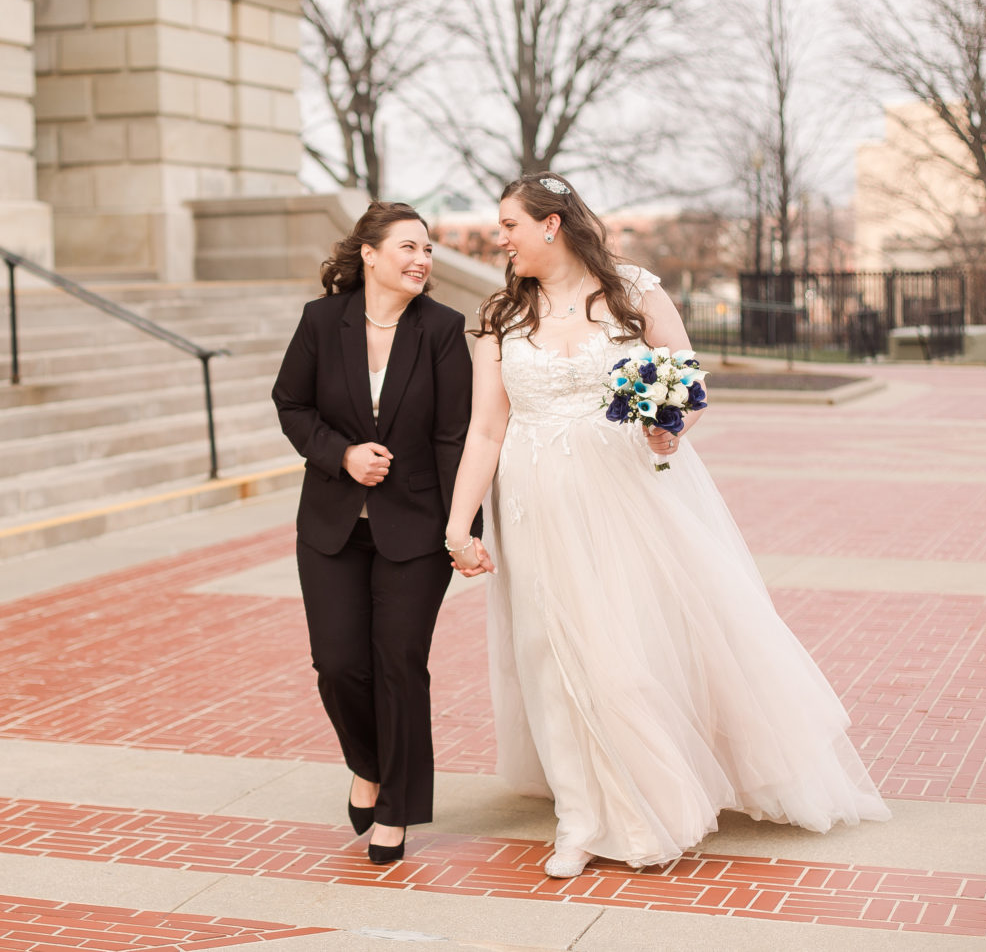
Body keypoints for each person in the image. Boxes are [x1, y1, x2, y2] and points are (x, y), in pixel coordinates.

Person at [443, 173, 889, 878]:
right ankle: (580, 818)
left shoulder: (633, 290)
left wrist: (671, 430)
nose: (501, 238)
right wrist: (459, 525)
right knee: (550, 658)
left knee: (623, 654)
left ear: (551, 224)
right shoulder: (501, 313)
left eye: (509, 225)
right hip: (533, 502)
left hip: (623, 497)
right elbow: (485, 431)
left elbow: (687, 385)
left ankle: (654, 803)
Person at [273, 201, 477, 866]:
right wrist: (341, 455)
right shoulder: (320, 321)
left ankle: (396, 809)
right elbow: (292, 404)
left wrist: (462, 529)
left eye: (427, 249)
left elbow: (454, 435)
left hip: (415, 530)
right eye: (408, 247)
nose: (421, 259)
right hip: (330, 523)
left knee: (398, 665)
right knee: (337, 665)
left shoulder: (442, 330)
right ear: (369, 253)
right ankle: (368, 763)